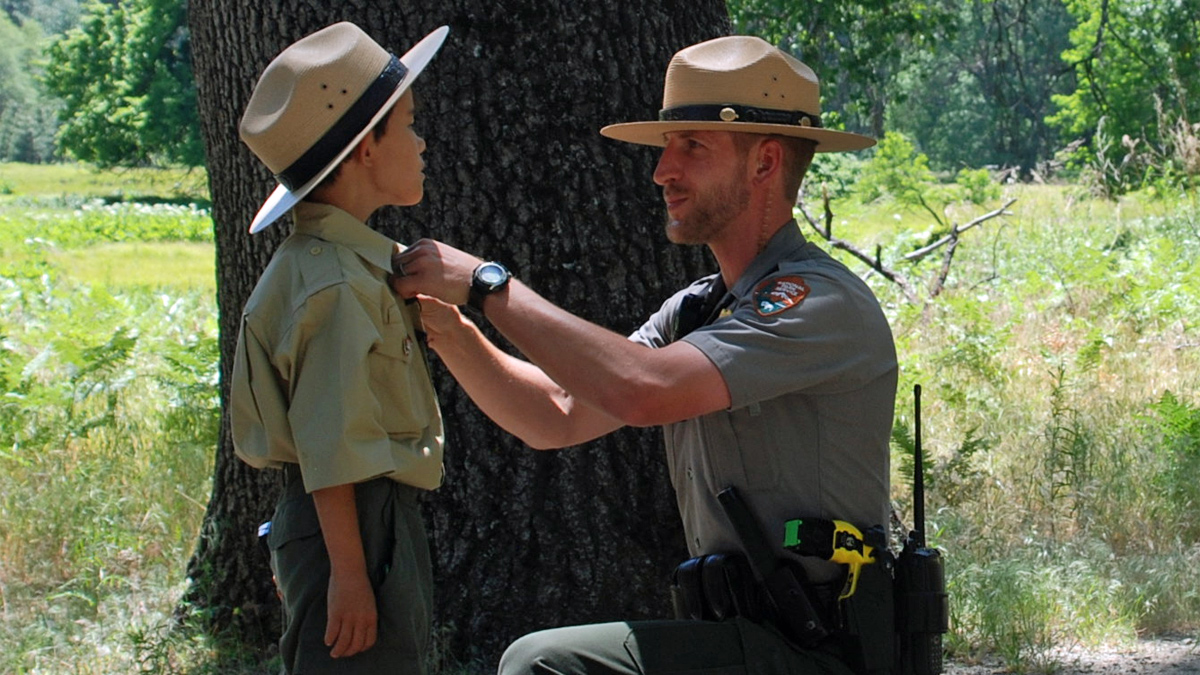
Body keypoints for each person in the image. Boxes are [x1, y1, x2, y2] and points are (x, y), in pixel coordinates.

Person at [394, 35, 897, 675]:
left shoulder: (817, 303)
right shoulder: (697, 310)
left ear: (766, 162)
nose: (663, 171)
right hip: (742, 641)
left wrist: (489, 285)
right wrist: (449, 329)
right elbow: (558, 413)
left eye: (693, 146)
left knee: (542, 664)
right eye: (666, 147)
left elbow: (645, 391)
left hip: (820, 652)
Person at [230, 21, 449, 675]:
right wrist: (350, 572)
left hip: (355, 520)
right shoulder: (334, 285)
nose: (422, 140)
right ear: (363, 152)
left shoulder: (342, 265)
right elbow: (332, 440)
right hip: (353, 519)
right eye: (407, 124)